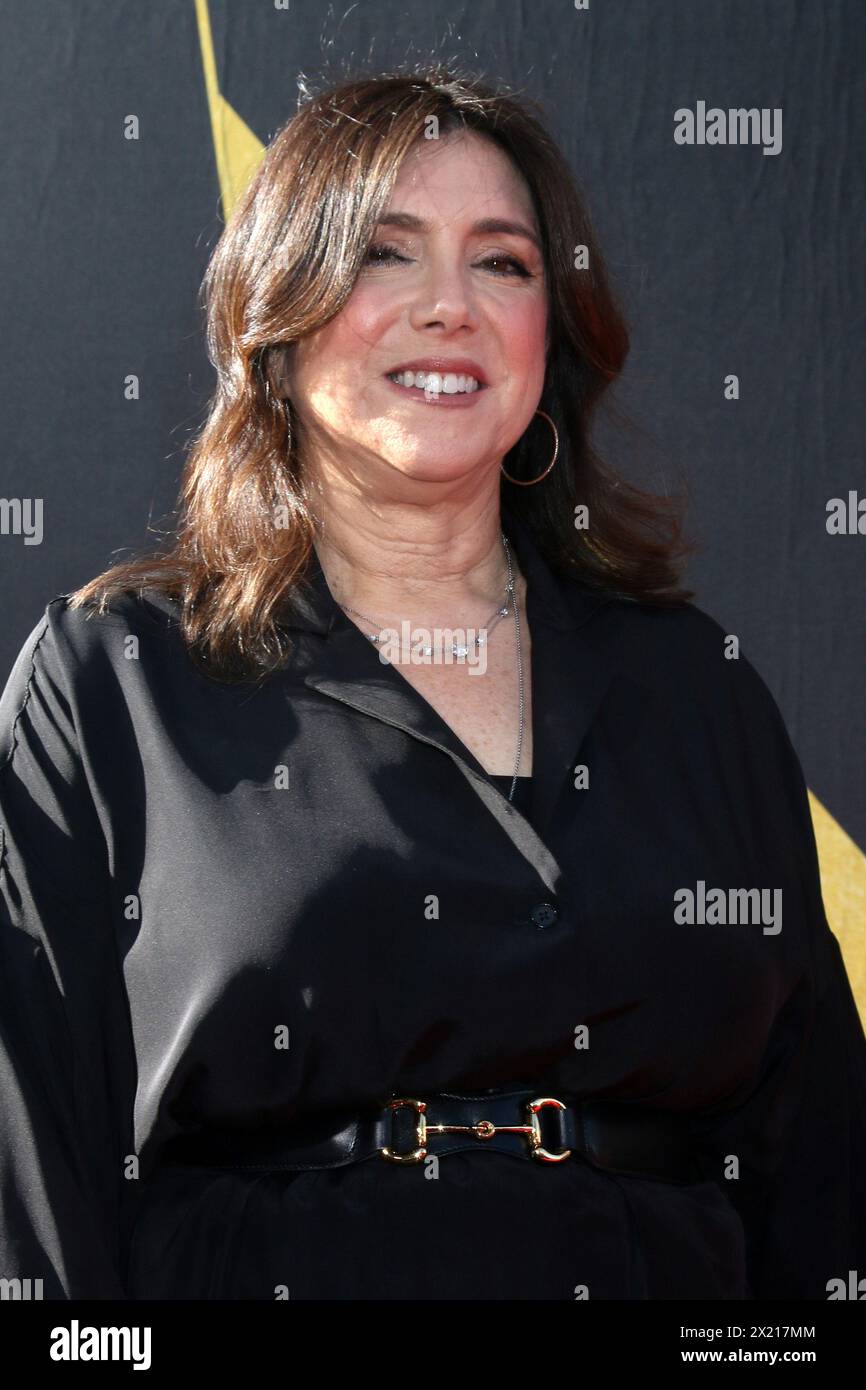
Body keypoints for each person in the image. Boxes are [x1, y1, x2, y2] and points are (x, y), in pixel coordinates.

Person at [1, 68, 864, 1302]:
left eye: (501, 262)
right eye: (384, 255)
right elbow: (29, 1190)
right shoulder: (114, 688)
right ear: (277, 316)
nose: (447, 306)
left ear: (548, 329)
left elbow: (818, 1165)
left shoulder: (694, 692)